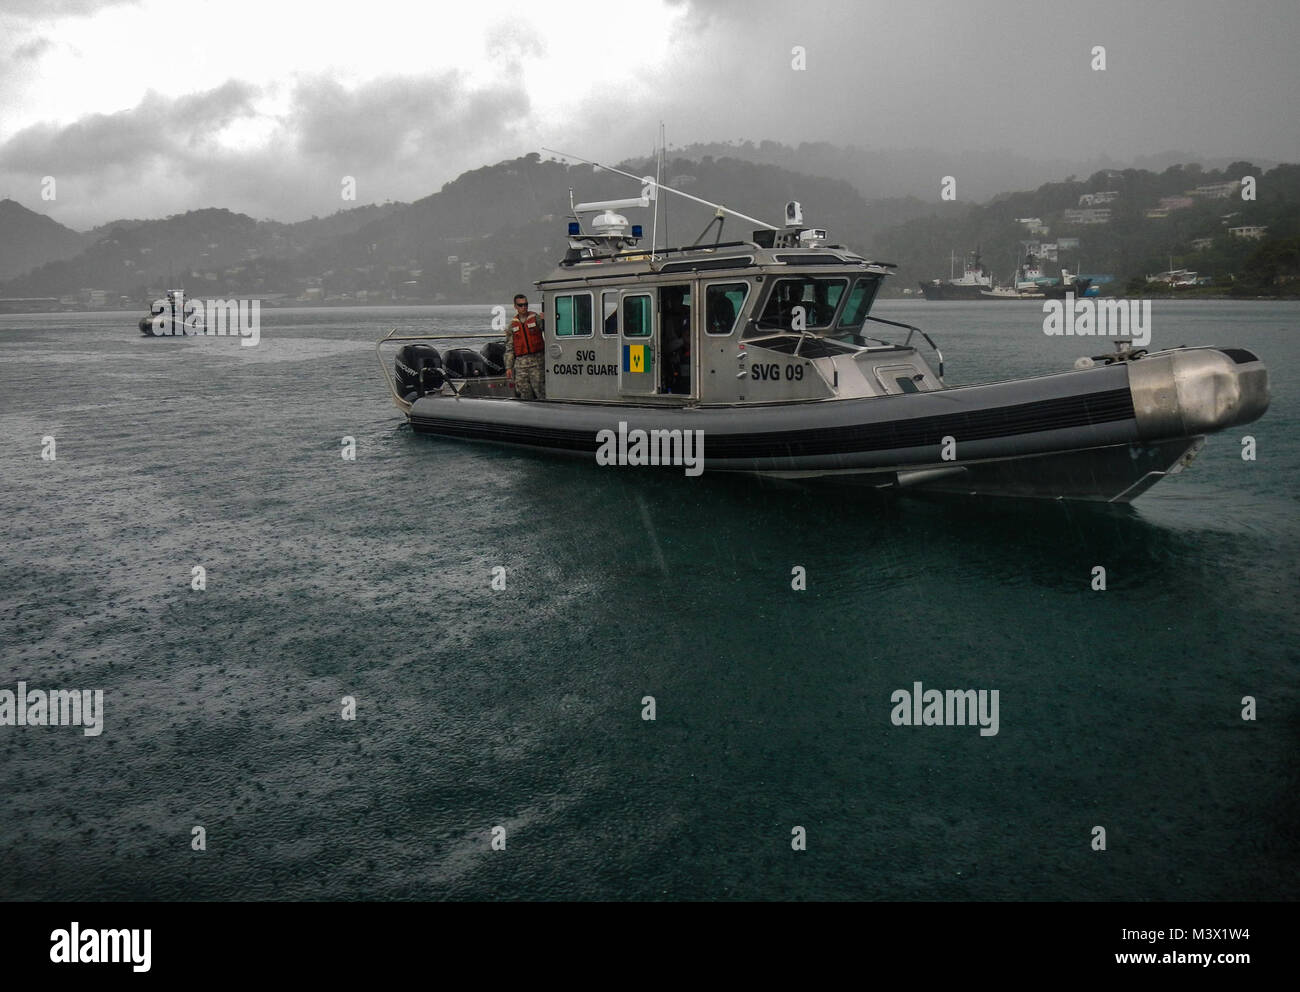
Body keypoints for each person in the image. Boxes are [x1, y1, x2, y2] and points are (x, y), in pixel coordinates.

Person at [505, 293, 545, 400]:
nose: (524, 307)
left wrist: (545, 320)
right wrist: (508, 367)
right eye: (521, 305)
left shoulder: (536, 318)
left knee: (540, 390)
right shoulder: (512, 325)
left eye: (526, 304)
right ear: (515, 307)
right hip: (520, 364)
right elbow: (509, 347)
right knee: (524, 391)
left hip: (537, 361)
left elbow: (548, 330)